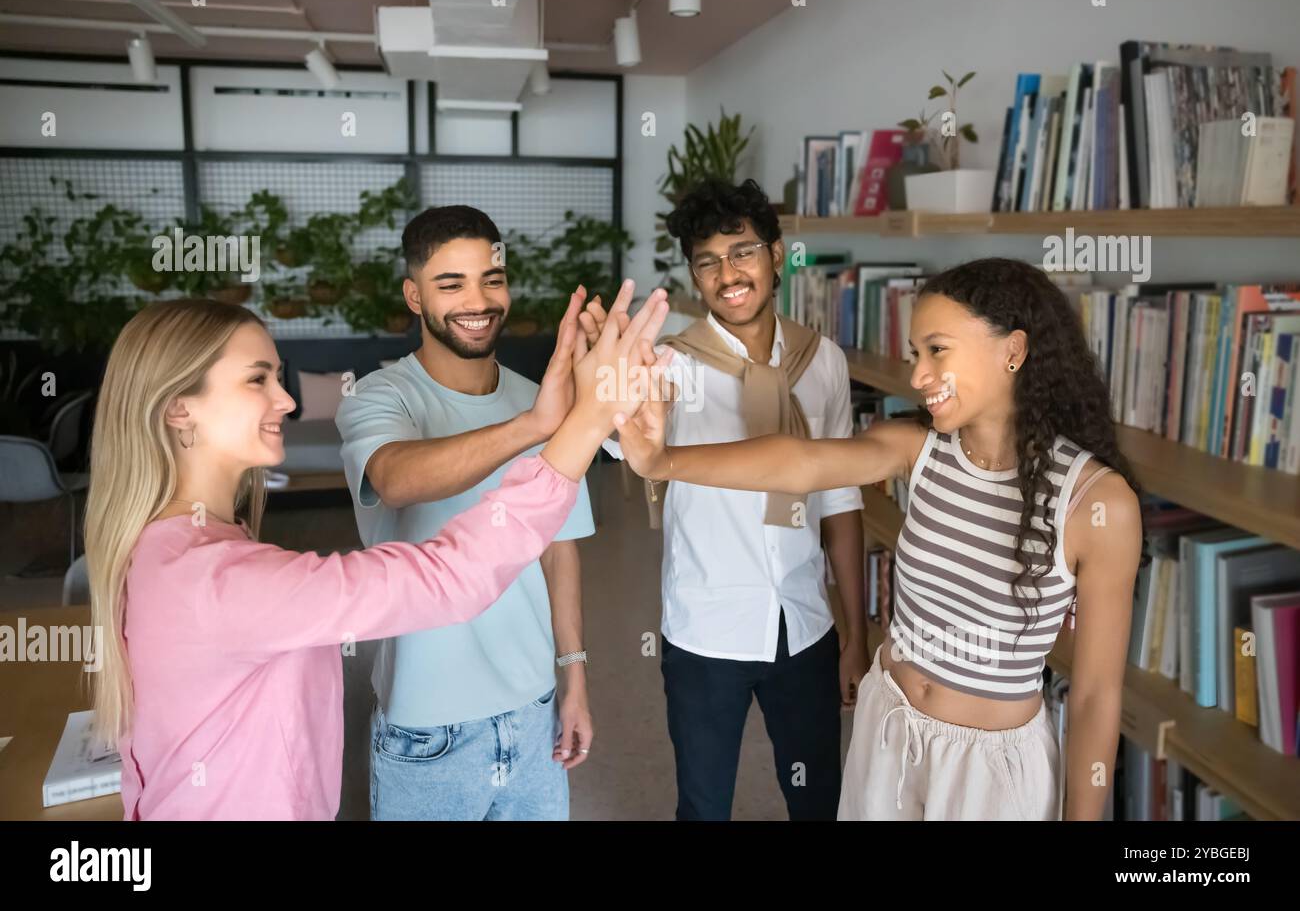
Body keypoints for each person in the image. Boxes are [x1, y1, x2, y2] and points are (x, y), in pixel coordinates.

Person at [84, 280, 668, 819]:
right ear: (178, 407)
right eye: (256, 379)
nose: (285, 400)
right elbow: (446, 577)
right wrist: (588, 420)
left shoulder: (173, 546)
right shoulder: (213, 579)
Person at [615, 257, 1145, 820]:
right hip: (887, 730)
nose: (918, 376)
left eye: (937, 350)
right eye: (917, 353)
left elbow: (1093, 697)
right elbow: (800, 462)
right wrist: (660, 459)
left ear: (1013, 350)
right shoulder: (921, 450)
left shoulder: (1095, 503)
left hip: (989, 774)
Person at [598, 179, 866, 821]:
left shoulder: (821, 361)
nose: (728, 273)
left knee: (817, 798)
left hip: (804, 625)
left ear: (777, 255)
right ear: (694, 274)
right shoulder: (668, 364)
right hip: (705, 630)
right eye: (708, 261)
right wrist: (619, 394)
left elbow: (841, 497)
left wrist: (855, 633)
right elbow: (618, 442)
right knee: (703, 802)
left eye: (742, 252)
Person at [336, 205, 599, 821]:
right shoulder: (381, 396)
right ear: (414, 296)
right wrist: (536, 427)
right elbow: (398, 479)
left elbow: (559, 547)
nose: (476, 300)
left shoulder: (540, 399)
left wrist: (574, 679)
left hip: (533, 710)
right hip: (426, 725)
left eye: (492, 279)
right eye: (450, 283)